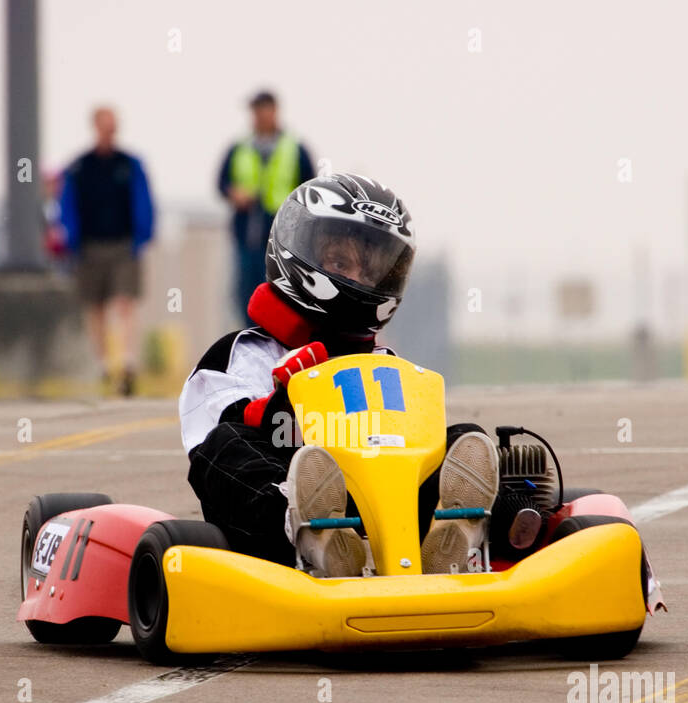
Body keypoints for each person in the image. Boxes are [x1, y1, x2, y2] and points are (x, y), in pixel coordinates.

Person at [179, 173, 500, 578]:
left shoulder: (385, 363)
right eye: (340, 263)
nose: (359, 280)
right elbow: (209, 440)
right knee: (225, 446)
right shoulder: (243, 354)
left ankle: (452, 538)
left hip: (383, 507)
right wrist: (285, 396)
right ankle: (313, 537)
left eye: (373, 270)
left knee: (463, 440)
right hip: (273, 518)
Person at [60, 106, 154, 396]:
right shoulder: (79, 167)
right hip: (89, 247)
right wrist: (70, 240)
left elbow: (144, 201)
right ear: (95, 127)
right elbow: (66, 206)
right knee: (95, 308)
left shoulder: (130, 164)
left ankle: (127, 364)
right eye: (104, 126)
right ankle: (103, 366)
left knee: (125, 304)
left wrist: (143, 235)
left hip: (124, 245)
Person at [217, 90, 314, 327]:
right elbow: (221, 182)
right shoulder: (239, 148)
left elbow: (311, 187)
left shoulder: (294, 148)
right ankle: (250, 334)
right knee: (245, 291)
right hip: (246, 233)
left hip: (283, 235)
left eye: (263, 110)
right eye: (255, 111)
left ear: (274, 111)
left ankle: (278, 335)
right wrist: (234, 194)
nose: (259, 116)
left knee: (281, 289)